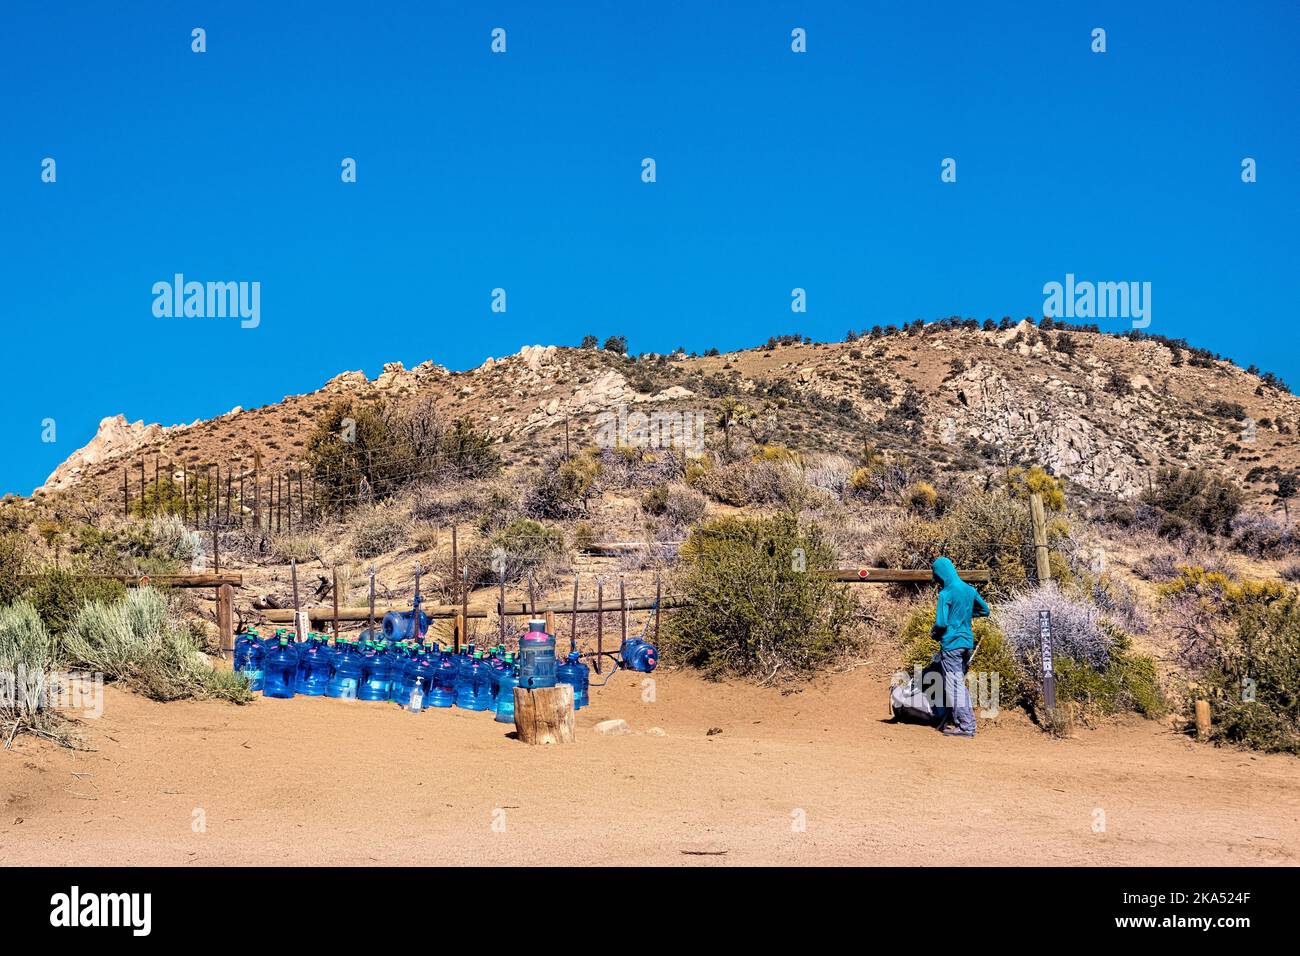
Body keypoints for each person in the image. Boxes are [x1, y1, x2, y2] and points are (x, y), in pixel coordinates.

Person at [930, 556, 990, 738]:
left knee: (954, 686)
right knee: (958, 684)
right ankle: (964, 722)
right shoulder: (969, 590)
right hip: (967, 643)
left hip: (952, 644)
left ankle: (966, 727)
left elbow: (940, 622)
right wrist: (963, 615)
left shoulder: (946, 593)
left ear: (940, 573)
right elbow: (984, 610)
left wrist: (934, 634)